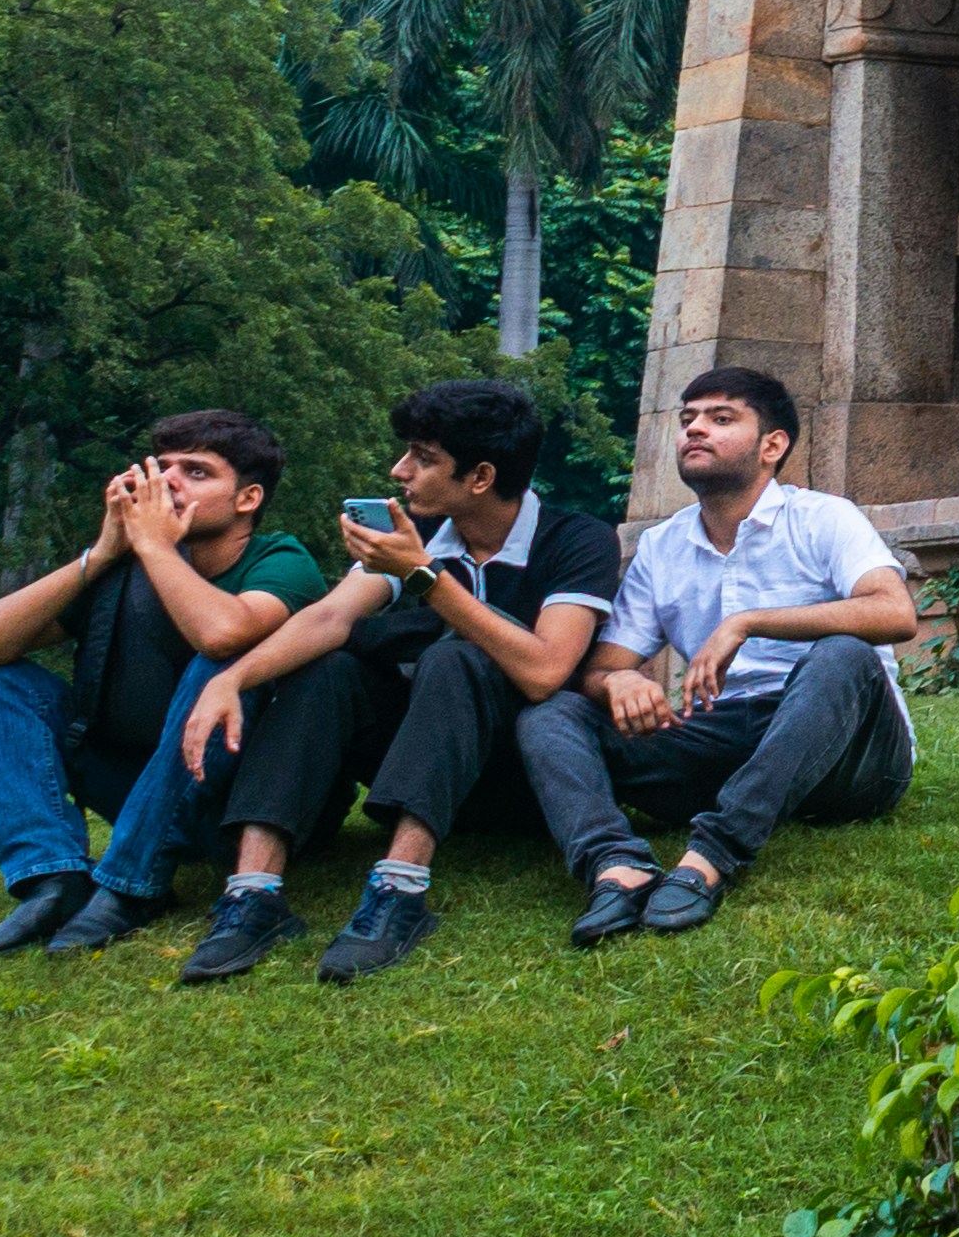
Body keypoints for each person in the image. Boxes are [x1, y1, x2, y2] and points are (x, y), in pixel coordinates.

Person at [152, 372, 625, 984]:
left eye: (423, 459)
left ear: (480, 477)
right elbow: (329, 615)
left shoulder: (576, 539)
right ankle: (254, 892)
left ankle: (399, 889)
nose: (400, 471)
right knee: (327, 665)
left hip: (520, 774)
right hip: (422, 760)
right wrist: (233, 680)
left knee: (458, 657)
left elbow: (544, 673)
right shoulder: (420, 533)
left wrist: (426, 575)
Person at [525, 362, 920, 943]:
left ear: (772, 445)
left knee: (843, 654)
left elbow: (894, 612)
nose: (694, 431)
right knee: (552, 711)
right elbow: (603, 666)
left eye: (720, 418)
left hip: (850, 757)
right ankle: (616, 868)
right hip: (722, 740)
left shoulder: (822, 517)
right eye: (687, 420)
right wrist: (619, 683)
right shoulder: (663, 545)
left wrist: (749, 621)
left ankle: (711, 855)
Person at [0, 411, 317, 961]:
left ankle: (132, 884)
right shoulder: (125, 567)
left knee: (223, 667)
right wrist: (103, 553)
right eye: (161, 467)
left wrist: (157, 550)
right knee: (2, 683)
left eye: (196, 472)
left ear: (248, 498)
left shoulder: (281, 561)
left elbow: (221, 635)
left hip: (235, 805)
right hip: (130, 780)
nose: (166, 482)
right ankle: (53, 878)